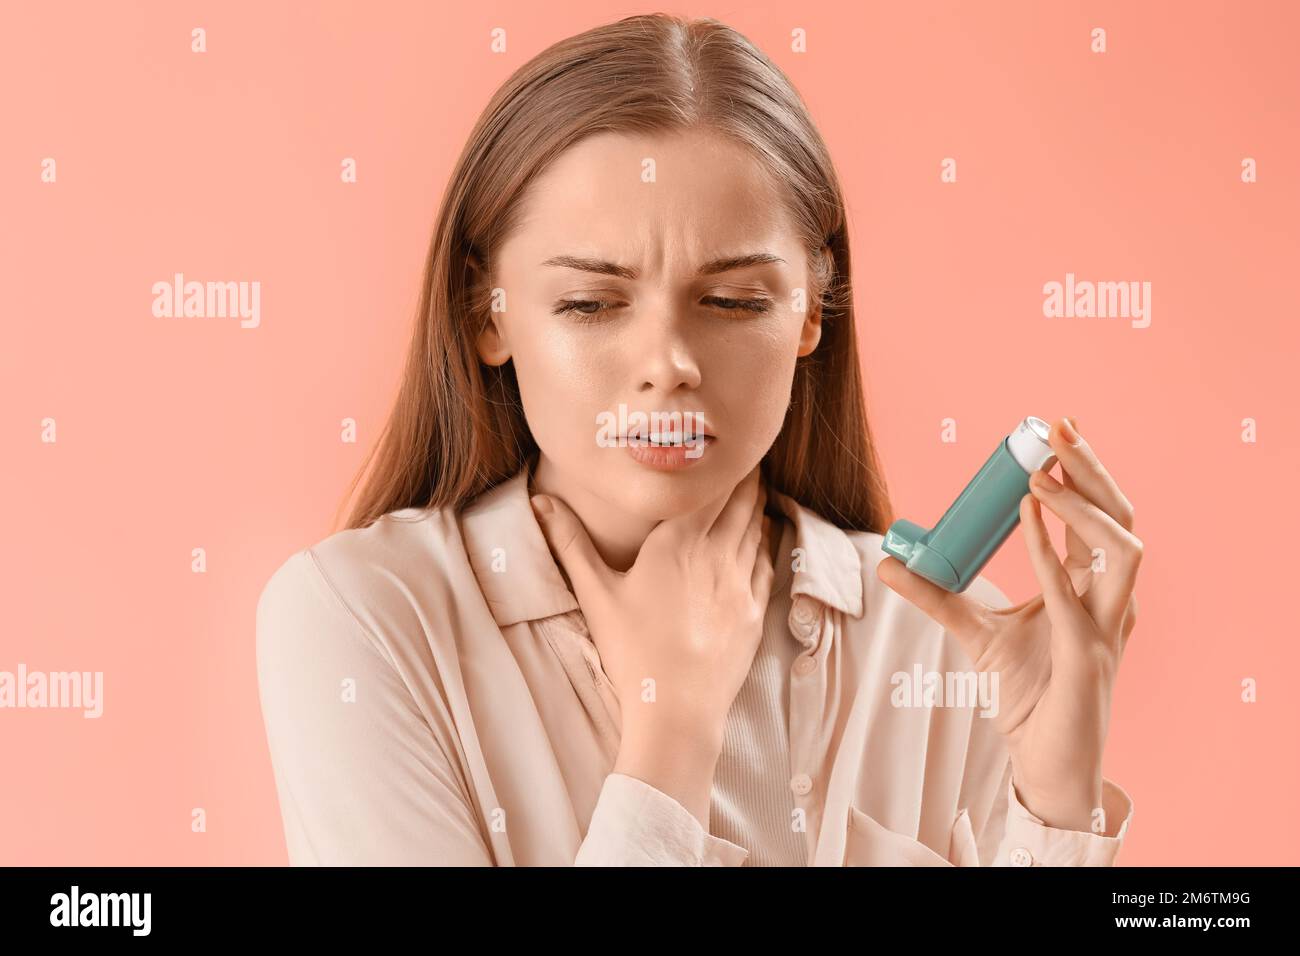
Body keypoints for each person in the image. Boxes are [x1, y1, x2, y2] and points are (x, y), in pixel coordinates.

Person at [255, 13, 1141, 866]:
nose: (670, 363)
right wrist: (669, 737)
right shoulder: (360, 618)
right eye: (590, 304)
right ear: (486, 314)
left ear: (810, 314)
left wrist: (1058, 803)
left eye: (734, 302)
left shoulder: (944, 641)